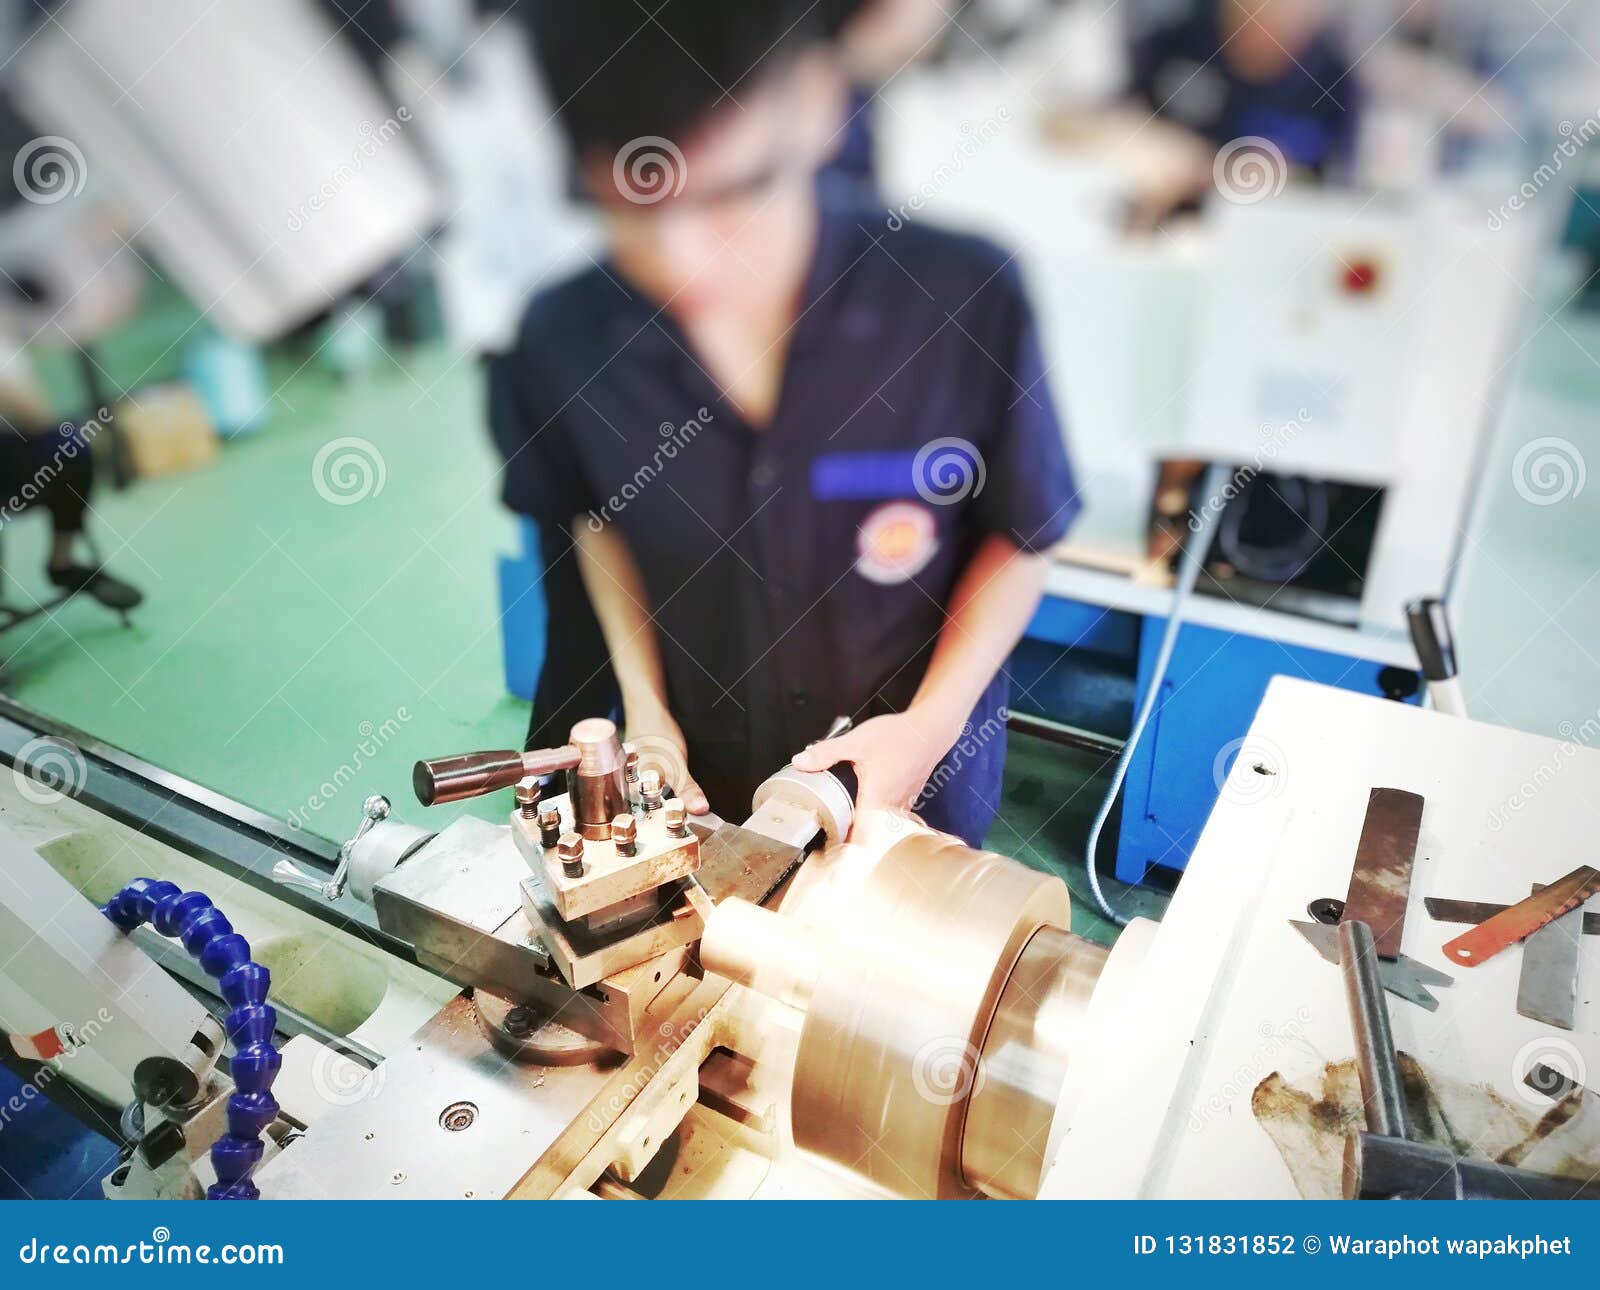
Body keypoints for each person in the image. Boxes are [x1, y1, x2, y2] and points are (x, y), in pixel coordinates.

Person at [489, 0, 1079, 847]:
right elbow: (596, 518)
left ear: (815, 100)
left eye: (730, 197)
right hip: (702, 777)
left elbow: (1023, 532)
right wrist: (650, 716)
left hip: (903, 777)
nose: (682, 261)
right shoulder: (564, 338)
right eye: (632, 207)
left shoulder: (962, 303)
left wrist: (930, 728)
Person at [1127, 0, 1358, 178]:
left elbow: (1337, 173)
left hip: (1271, 215)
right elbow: (1118, 116)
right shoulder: (1179, 45)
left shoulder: (1329, 77)